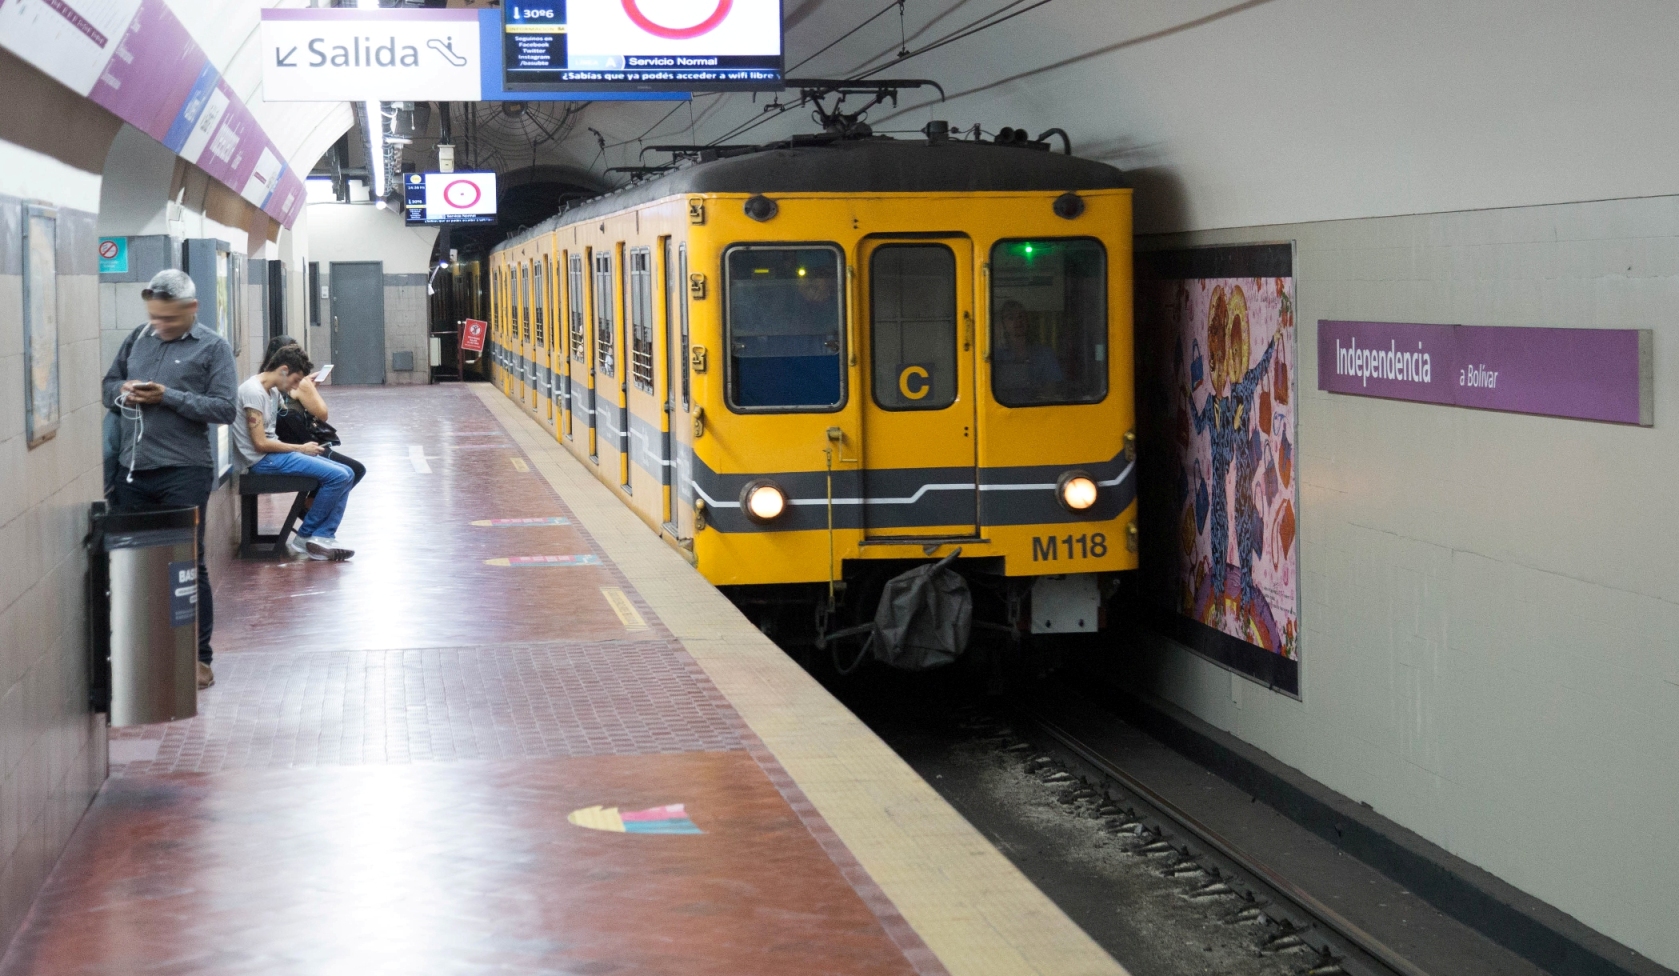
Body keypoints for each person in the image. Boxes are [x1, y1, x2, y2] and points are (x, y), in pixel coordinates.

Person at [101, 269, 238, 690]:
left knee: (187, 564)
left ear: (192, 308)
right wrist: (123, 391)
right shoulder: (137, 339)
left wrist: (168, 397)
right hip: (132, 471)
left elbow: (224, 408)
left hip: (184, 472)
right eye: (154, 316)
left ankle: (198, 658)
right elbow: (107, 387)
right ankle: (142, 655)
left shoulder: (213, 347)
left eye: (169, 318)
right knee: (133, 564)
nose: (159, 325)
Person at [231, 346, 358, 561]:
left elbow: (290, 409)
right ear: (283, 370)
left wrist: (309, 386)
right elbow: (260, 443)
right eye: (295, 380)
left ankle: (323, 536)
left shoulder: (272, 391)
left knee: (349, 473)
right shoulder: (253, 392)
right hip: (262, 461)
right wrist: (301, 448)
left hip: (275, 456)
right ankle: (306, 536)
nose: (296, 386)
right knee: (338, 476)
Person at [261, 334, 365, 487]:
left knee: (342, 473)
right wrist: (308, 387)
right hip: (297, 446)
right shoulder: (295, 386)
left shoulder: (267, 383)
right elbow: (322, 414)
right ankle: (311, 503)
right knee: (350, 472)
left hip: (287, 446)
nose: (295, 385)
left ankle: (312, 502)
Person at [992, 299, 1064, 404]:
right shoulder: (996, 355)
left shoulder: (1045, 354)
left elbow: (1051, 389)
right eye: (1011, 317)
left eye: (1021, 316)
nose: (1018, 321)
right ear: (1003, 324)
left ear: (1027, 320)